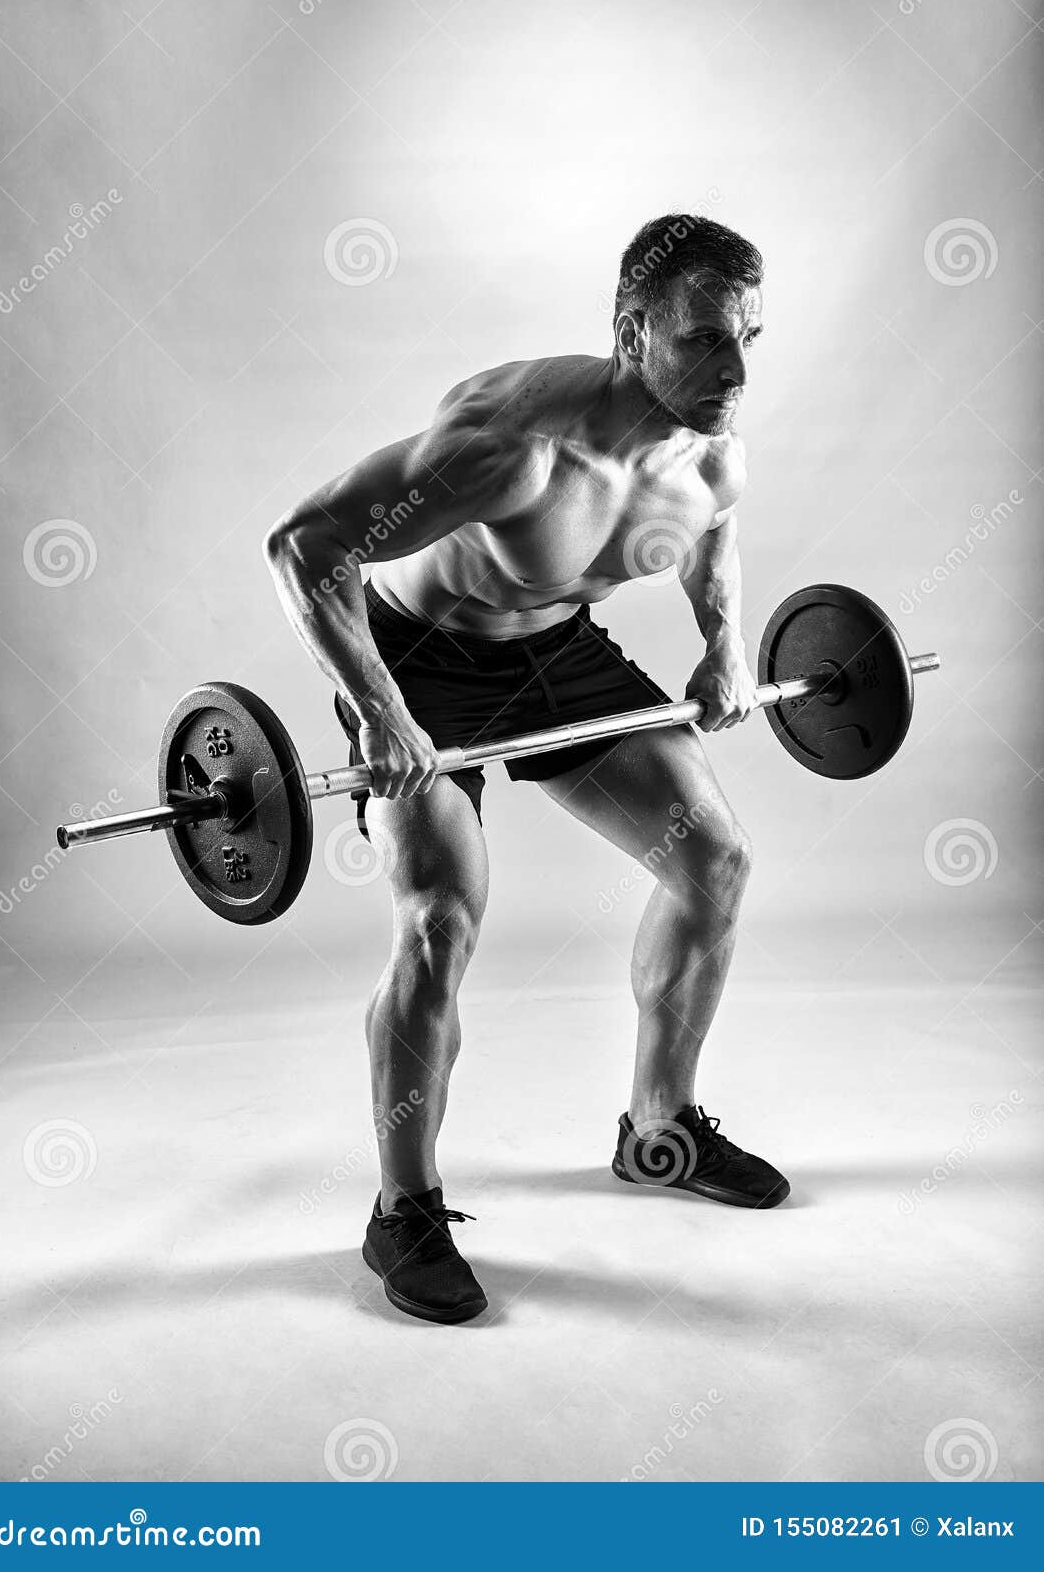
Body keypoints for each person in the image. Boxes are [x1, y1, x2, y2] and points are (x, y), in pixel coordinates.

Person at [265, 213, 790, 1326]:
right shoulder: (513, 446)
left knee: (716, 861)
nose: (733, 368)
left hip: (557, 649)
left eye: (748, 336)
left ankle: (659, 1125)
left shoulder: (712, 447)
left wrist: (725, 647)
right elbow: (305, 545)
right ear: (630, 329)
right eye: (703, 338)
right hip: (415, 666)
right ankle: (402, 1207)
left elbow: (708, 540)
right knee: (437, 922)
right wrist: (379, 713)